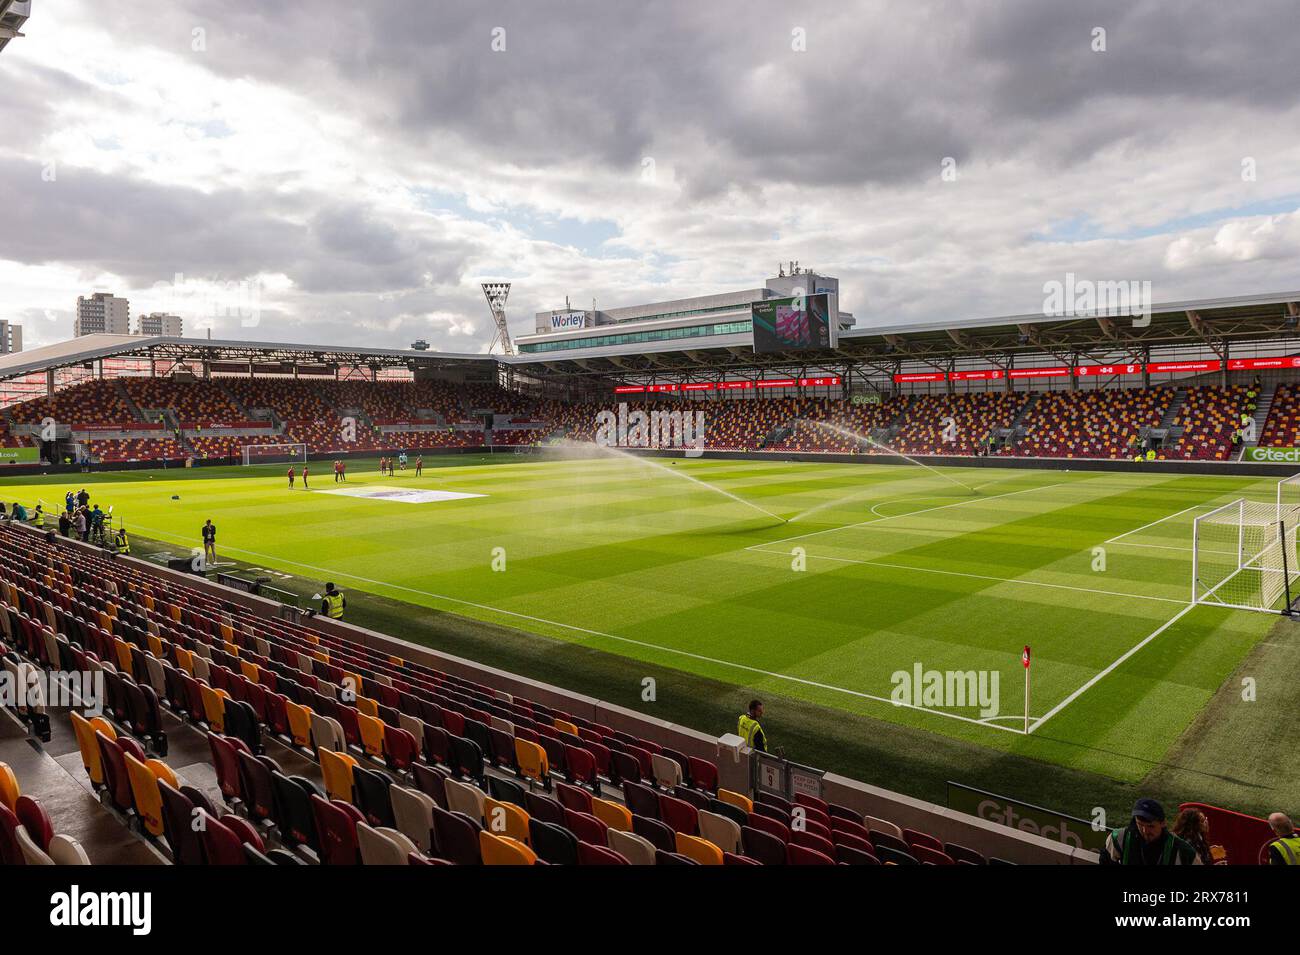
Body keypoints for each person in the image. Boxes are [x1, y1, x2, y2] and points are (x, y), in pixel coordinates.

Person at [1101, 798, 1201, 865]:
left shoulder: (1183, 852)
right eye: (1140, 824)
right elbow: (1105, 860)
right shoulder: (1120, 837)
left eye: (1151, 826)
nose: (1145, 831)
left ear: (1163, 823)